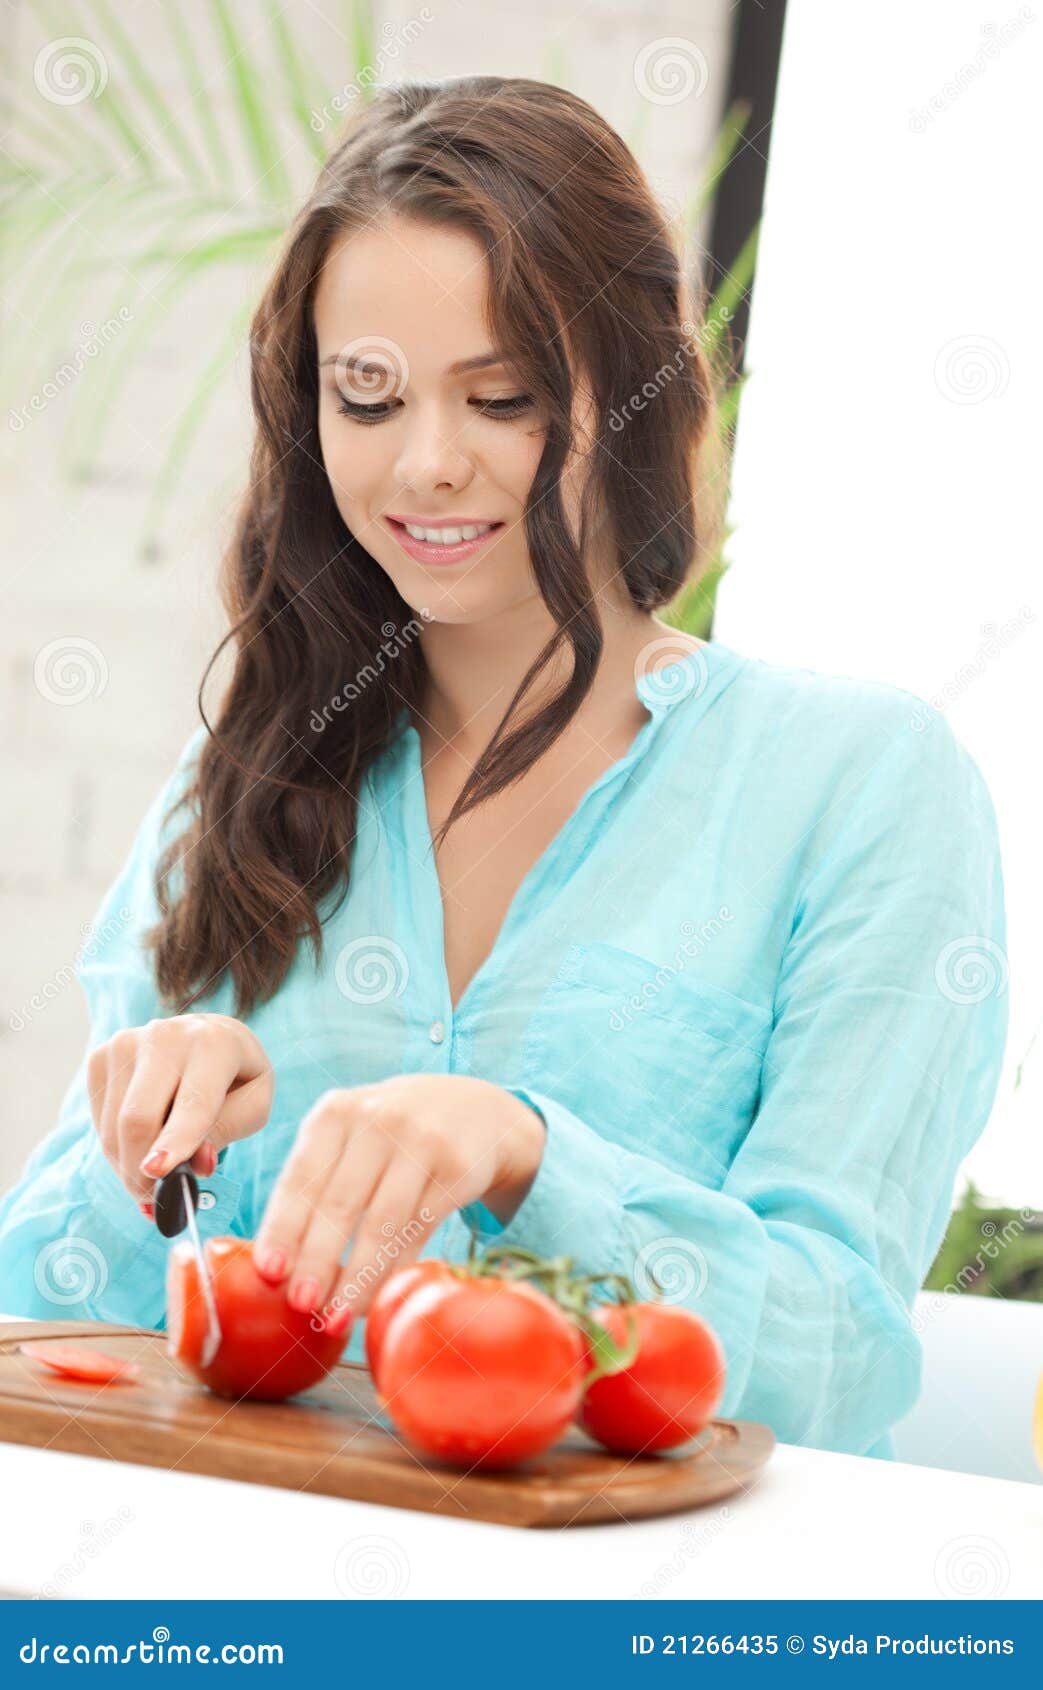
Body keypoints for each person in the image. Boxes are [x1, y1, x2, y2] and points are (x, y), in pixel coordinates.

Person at [0, 77, 1007, 1459]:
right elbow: (48, 1327)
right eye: (368, 396)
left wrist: (527, 1150)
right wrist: (153, 1156)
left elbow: (828, 1358)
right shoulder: (242, 776)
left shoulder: (861, 784)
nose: (428, 463)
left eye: (505, 397)